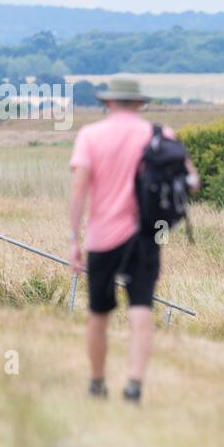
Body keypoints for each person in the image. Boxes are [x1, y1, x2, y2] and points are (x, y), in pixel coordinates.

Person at [68, 77, 199, 404]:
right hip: (145, 235)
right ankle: (134, 385)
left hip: (102, 237)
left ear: (108, 102)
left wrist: (73, 238)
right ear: (140, 104)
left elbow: (79, 190)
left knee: (99, 313)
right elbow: (193, 181)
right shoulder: (159, 135)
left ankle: (97, 384)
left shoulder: (90, 136)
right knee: (141, 308)